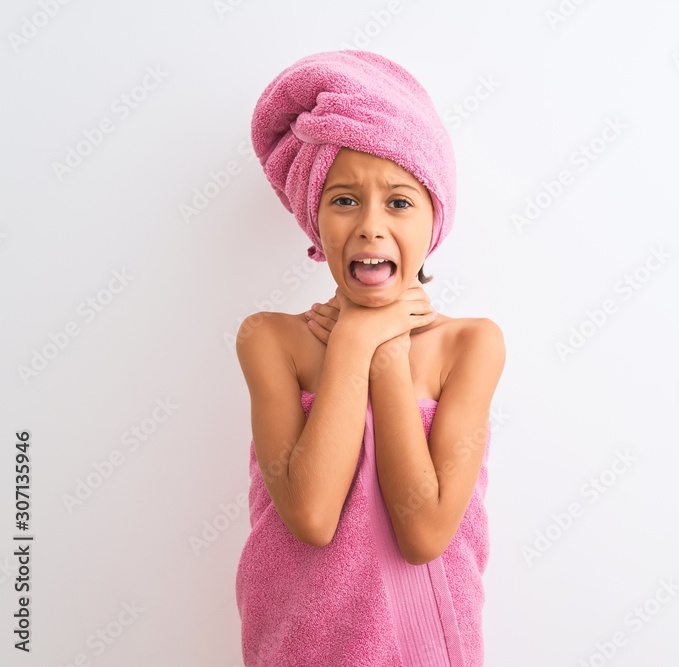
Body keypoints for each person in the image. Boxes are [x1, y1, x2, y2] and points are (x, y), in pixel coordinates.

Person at [233, 50, 504, 666]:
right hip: (300, 645)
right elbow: (310, 514)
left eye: (400, 202)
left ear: (436, 216)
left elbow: (424, 533)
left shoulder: (472, 345)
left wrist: (385, 360)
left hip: (424, 645)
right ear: (314, 218)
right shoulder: (270, 340)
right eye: (344, 200)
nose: (371, 226)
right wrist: (354, 343)